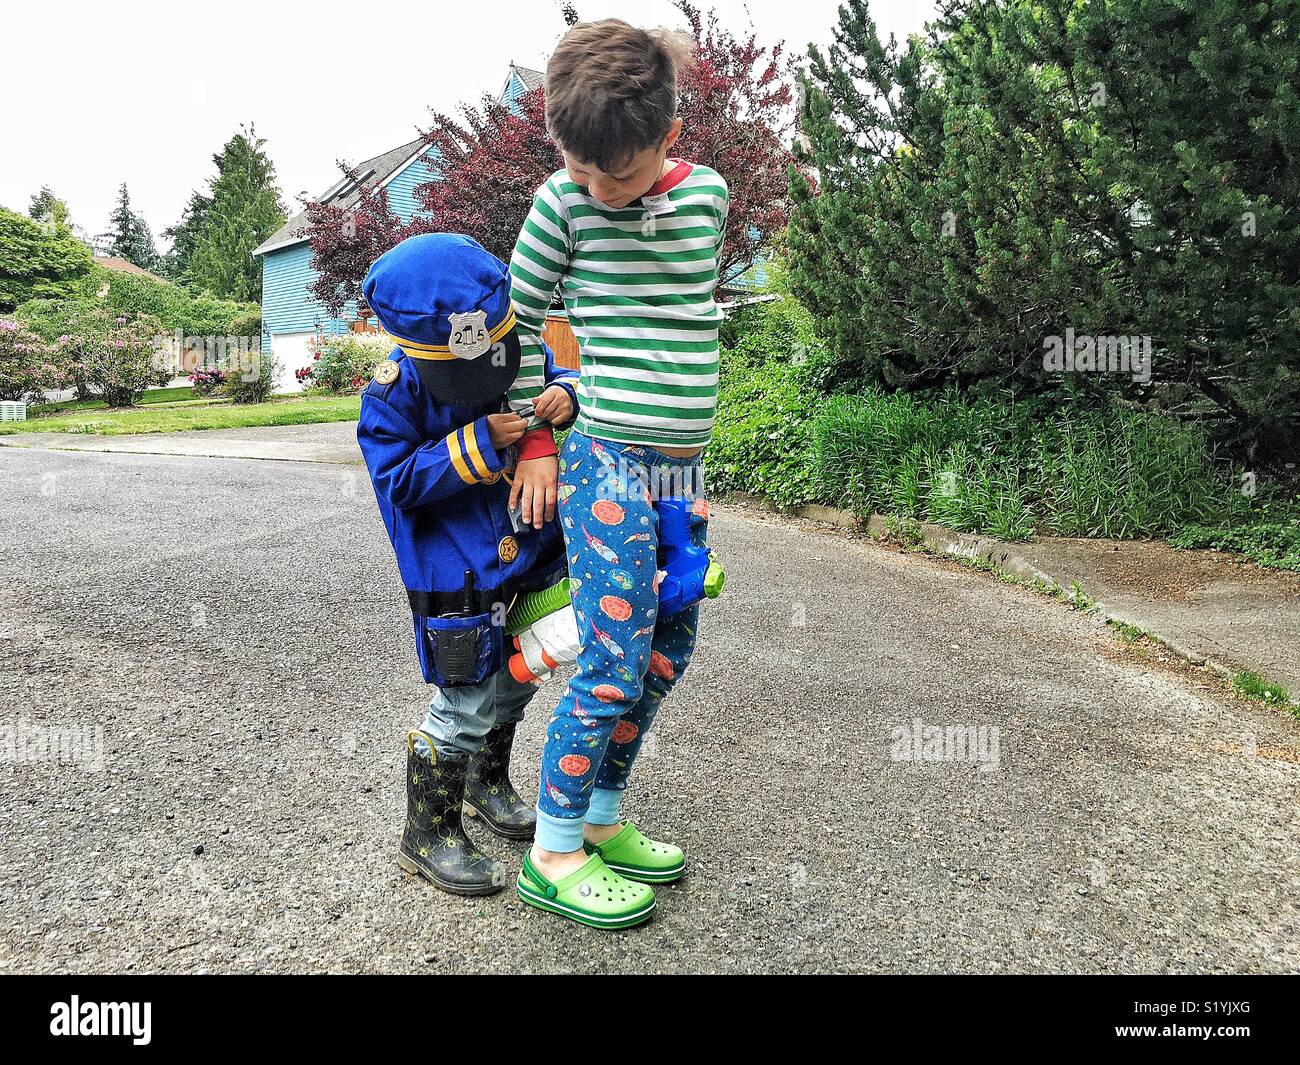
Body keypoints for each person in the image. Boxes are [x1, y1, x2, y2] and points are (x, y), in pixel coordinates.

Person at [504, 18, 728, 928]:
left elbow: (672, 318)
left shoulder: (707, 195)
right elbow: (515, 327)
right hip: (607, 460)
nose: (599, 188)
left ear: (671, 136)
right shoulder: (561, 203)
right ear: (562, 145)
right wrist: (533, 440)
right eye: (582, 167)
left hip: (682, 468)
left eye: (620, 174)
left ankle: (599, 817)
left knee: (670, 648)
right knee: (610, 659)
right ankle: (553, 851)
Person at [356, 233, 578, 895]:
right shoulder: (393, 394)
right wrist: (473, 442)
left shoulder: (515, 344)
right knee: (466, 691)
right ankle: (427, 829)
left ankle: (487, 780)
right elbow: (396, 480)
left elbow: (549, 372)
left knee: (525, 667)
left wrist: (565, 391)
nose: (492, 375)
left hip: (529, 553)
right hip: (460, 577)